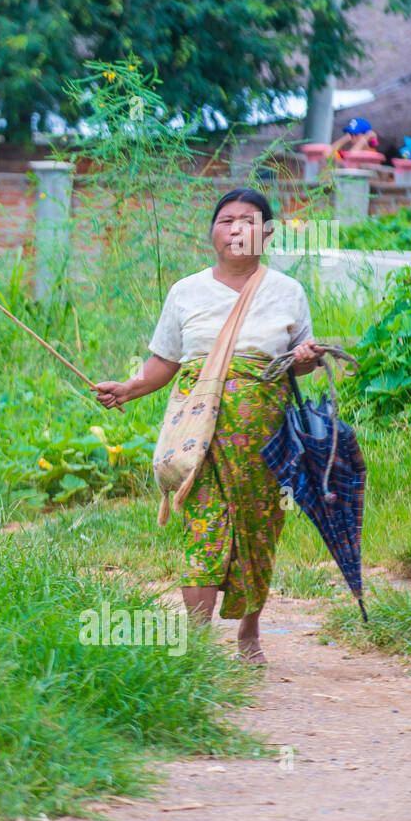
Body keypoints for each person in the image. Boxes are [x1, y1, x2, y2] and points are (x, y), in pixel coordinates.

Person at [92, 189, 325, 664]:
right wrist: (129, 389)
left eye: (248, 220)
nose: (236, 228)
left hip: (267, 433)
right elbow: (165, 362)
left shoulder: (288, 292)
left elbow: (298, 365)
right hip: (199, 433)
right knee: (203, 526)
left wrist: (306, 359)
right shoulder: (186, 291)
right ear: (212, 233)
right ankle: (197, 645)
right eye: (226, 220)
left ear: (269, 232)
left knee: (259, 528)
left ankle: (249, 636)